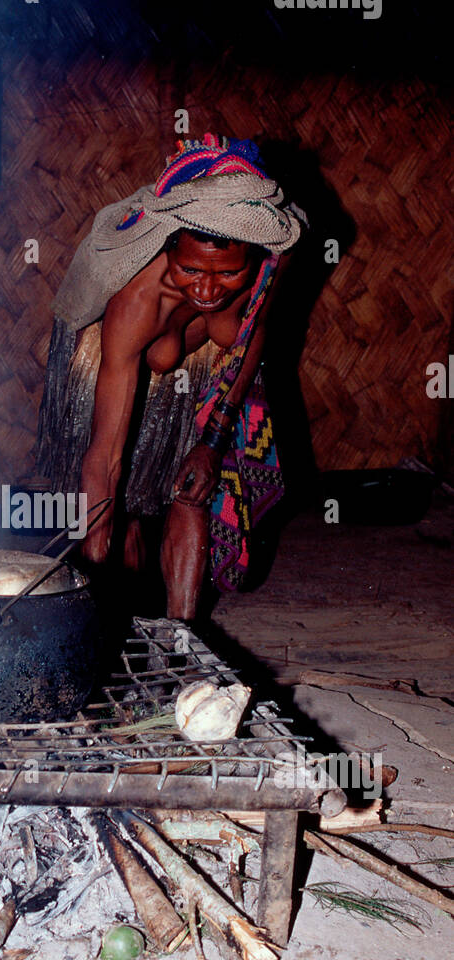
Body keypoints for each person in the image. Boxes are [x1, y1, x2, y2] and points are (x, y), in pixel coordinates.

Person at [37, 134, 305, 618]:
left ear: (251, 259)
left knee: (194, 483)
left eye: (227, 274)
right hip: (119, 353)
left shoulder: (269, 264)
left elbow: (251, 339)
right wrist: (90, 582)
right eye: (189, 269)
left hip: (199, 360)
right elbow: (104, 459)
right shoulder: (134, 304)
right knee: (126, 484)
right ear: (169, 248)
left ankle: (184, 636)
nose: (206, 289)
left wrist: (212, 442)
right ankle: (111, 578)